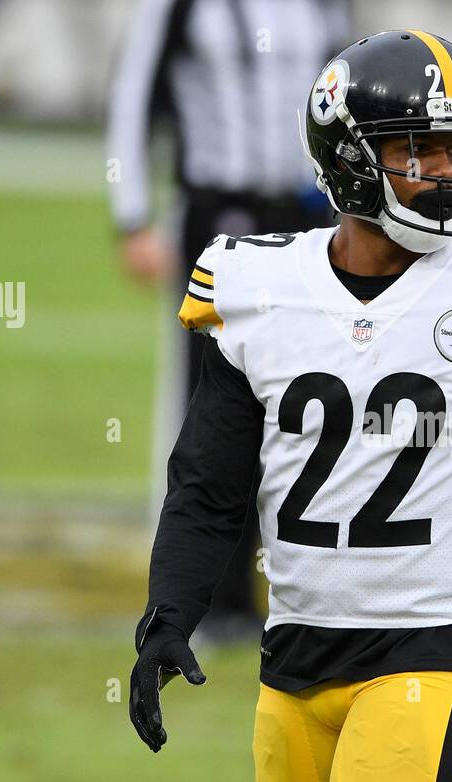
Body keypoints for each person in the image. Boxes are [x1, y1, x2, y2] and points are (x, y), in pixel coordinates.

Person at [129, 29, 452, 782]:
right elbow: (207, 484)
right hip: (292, 659)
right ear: (348, 158)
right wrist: (169, 615)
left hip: (428, 652)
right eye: (423, 150)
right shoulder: (257, 286)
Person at [106, 0, 349, 640]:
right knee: (210, 405)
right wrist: (132, 214)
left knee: (311, 399)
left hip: (308, 216)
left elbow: (340, 94)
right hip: (219, 214)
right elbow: (133, 90)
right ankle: (207, 592)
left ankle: (305, 583)